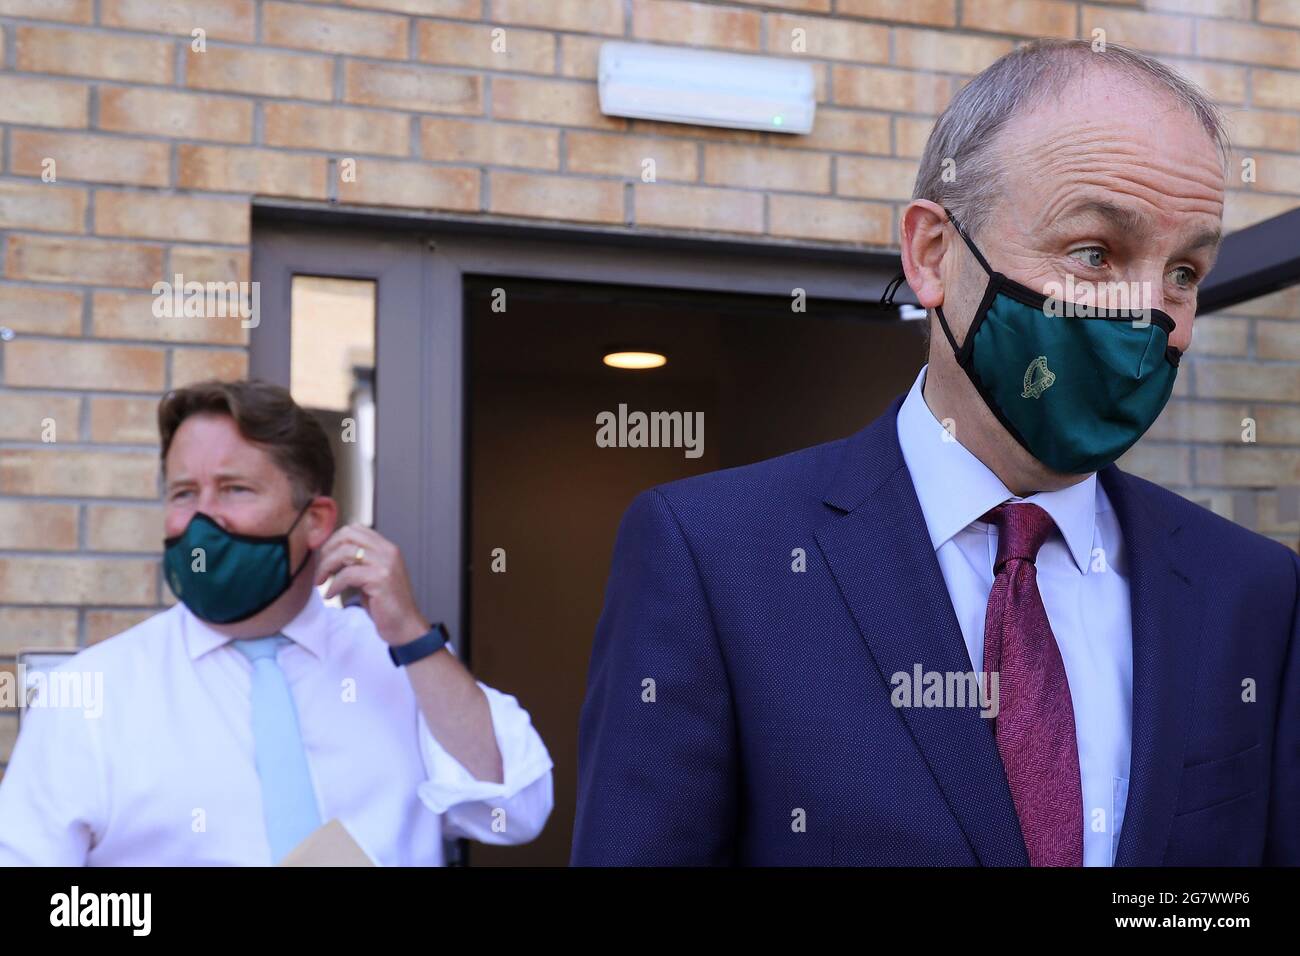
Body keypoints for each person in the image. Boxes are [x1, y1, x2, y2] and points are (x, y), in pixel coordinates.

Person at [571, 39, 1298, 866]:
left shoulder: (1253, 590)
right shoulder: (715, 557)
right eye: (1095, 253)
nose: (1149, 314)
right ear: (932, 256)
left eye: (1184, 270)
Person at [0, 379, 553, 865]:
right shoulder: (93, 695)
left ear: (315, 521)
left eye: (235, 489)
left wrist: (411, 634)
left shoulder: (397, 664)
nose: (202, 518)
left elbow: (518, 810)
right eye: (184, 493)